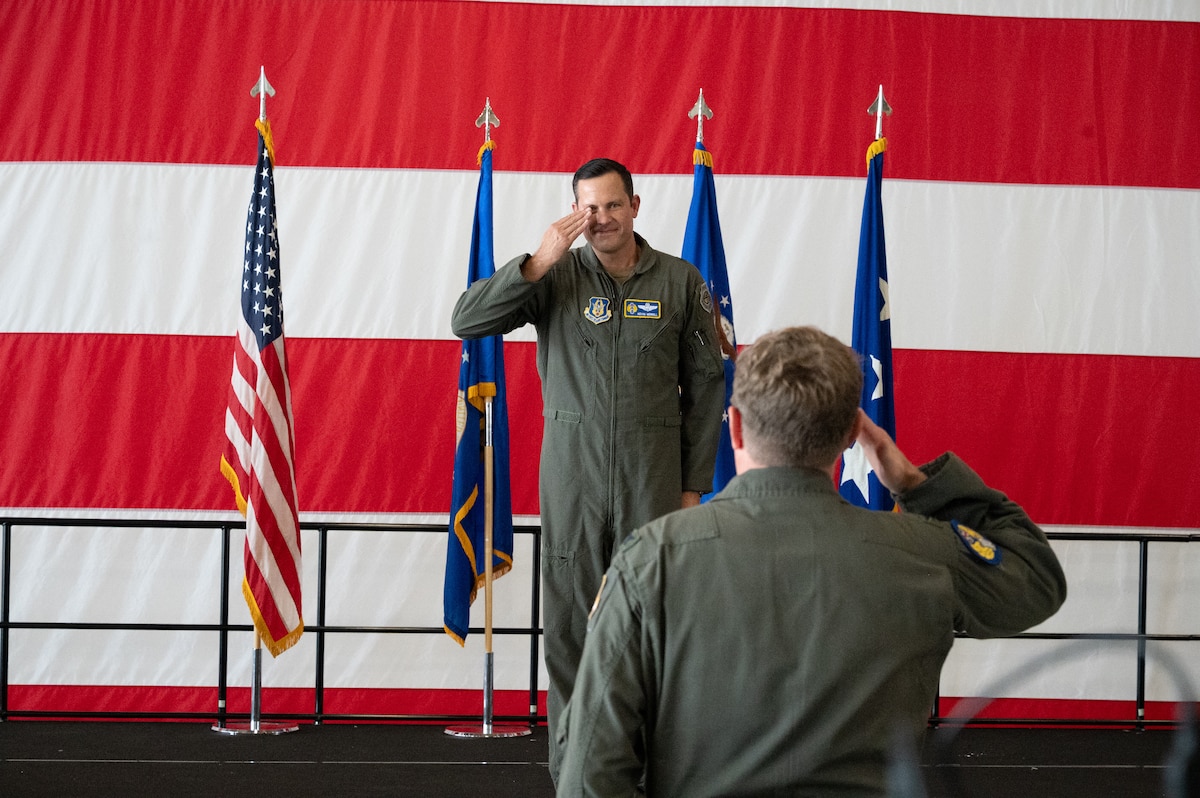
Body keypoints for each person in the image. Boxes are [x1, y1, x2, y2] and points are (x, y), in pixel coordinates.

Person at [556, 325, 1068, 798]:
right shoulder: (923, 552)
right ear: (853, 435)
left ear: (734, 427)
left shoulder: (653, 559)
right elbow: (1036, 580)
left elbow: (590, 770)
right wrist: (917, 485)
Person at [450, 158, 726, 781]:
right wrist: (539, 259)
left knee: (652, 637)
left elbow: (707, 388)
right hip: (572, 484)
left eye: (611, 205)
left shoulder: (681, 283)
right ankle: (574, 779)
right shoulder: (555, 277)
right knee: (572, 638)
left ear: (635, 205)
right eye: (588, 208)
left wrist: (692, 487)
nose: (600, 219)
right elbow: (467, 321)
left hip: (652, 485)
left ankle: (651, 778)